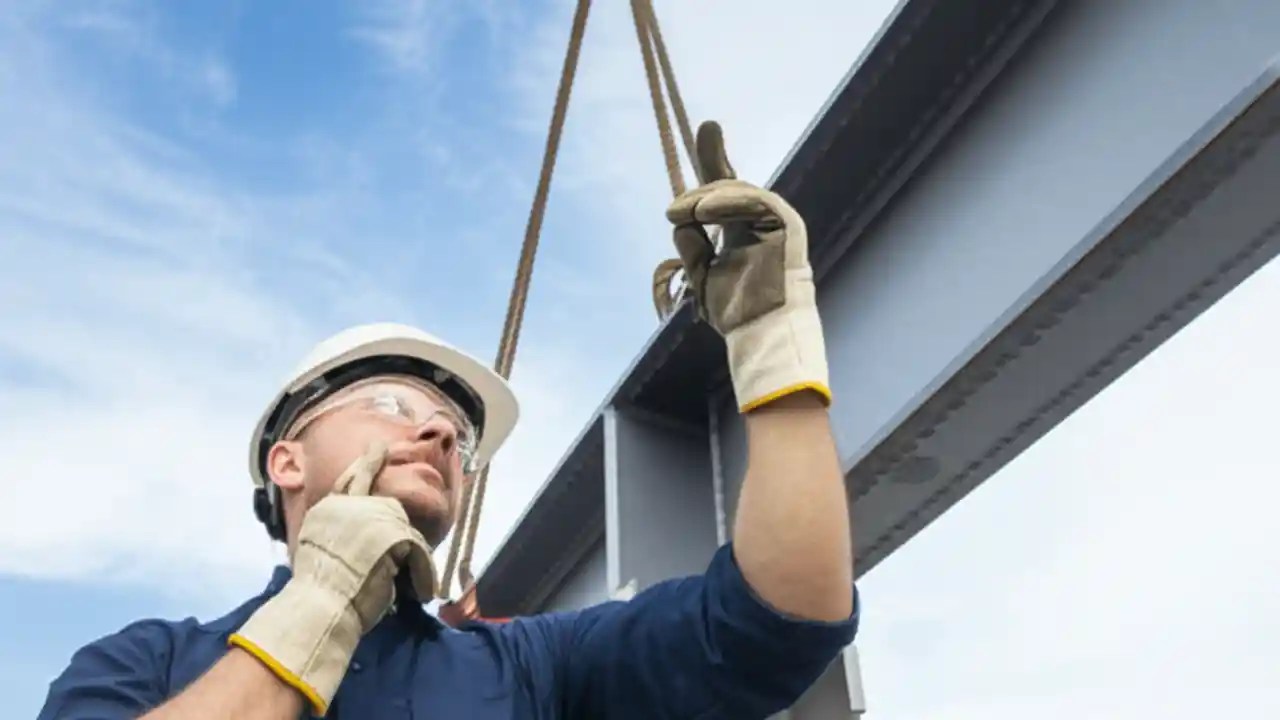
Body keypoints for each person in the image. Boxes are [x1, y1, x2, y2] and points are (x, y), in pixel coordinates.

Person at [37, 123, 859, 719]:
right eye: (392, 406)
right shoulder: (148, 662)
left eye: (455, 435)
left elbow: (776, 624)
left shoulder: (533, 669)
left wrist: (772, 351)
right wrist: (319, 604)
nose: (436, 436)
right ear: (286, 462)